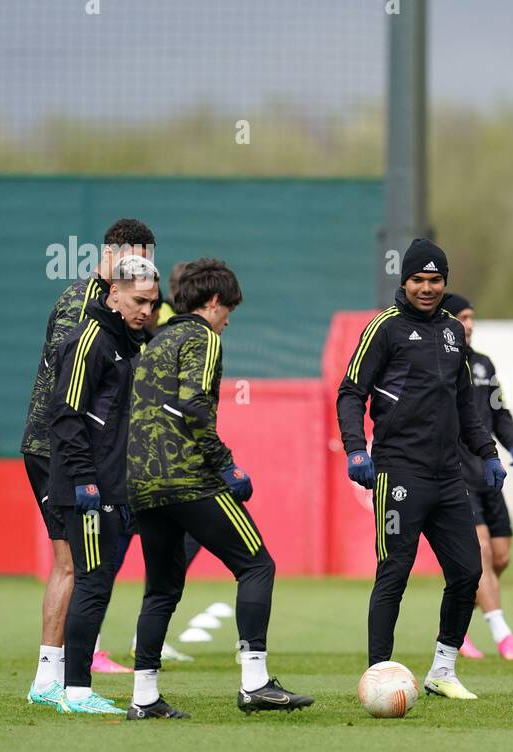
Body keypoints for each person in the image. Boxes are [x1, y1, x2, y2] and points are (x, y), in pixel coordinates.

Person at [126, 258, 312, 719]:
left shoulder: (155, 341)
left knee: (161, 589)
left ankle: (143, 697)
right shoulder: (202, 337)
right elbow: (193, 405)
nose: (228, 319)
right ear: (213, 303)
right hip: (189, 478)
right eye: (228, 309)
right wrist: (226, 466)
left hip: (143, 485)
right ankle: (254, 683)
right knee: (257, 565)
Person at [336, 239, 506, 700]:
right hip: (399, 473)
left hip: (449, 476)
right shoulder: (384, 329)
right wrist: (356, 450)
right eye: (418, 280)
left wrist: (487, 452)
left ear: (445, 282)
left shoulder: (453, 332)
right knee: (394, 571)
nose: (427, 288)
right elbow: (351, 393)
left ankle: (442, 670)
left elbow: (466, 403)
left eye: (435, 280)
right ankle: (378, 675)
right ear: (404, 281)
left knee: (468, 572)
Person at [22, 219, 153, 709]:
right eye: (136, 259)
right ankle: (53, 677)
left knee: (78, 563)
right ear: (113, 257)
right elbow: (69, 390)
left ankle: (59, 671)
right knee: (73, 563)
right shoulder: (83, 307)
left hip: (83, 451)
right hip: (55, 447)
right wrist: (80, 467)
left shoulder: (127, 310)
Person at [443, 293, 513, 661]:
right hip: (455, 474)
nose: (470, 323)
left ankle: (452, 626)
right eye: (463, 317)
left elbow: (498, 417)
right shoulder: (439, 363)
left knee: (500, 557)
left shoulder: (483, 365)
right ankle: (502, 633)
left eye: (472, 316)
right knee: (477, 554)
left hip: (487, 473)